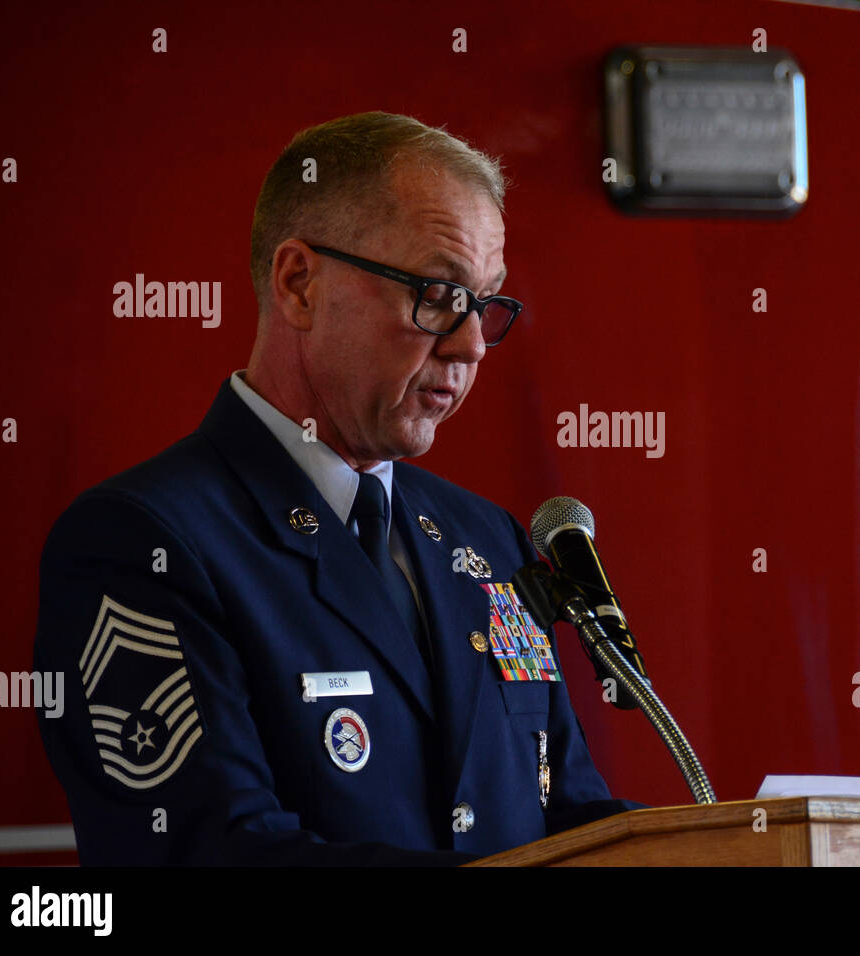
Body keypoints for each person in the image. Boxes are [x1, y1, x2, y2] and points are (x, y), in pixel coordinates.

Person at [33, 112, 642, 865]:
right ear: (299, 284)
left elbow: (568, 815)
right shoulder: (143, 542)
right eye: (436, 292)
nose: (472, 345)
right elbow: (210, 852)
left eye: (484, 302)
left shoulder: (486, 540)